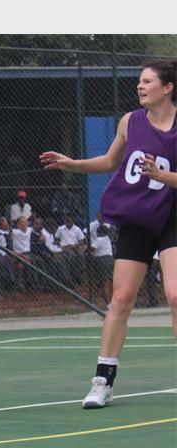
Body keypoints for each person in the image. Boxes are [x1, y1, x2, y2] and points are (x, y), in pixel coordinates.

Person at [40, 60, 176, 409]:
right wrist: (72, 163)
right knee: (121, 298)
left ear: (168, 87)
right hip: (139, 217)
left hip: (173, 215)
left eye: (147, 81)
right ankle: (103, 381)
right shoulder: (130, 122)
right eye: (138, 81)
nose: (140, 86)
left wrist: (163, 178)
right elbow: (108, 161)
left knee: (175, 295)